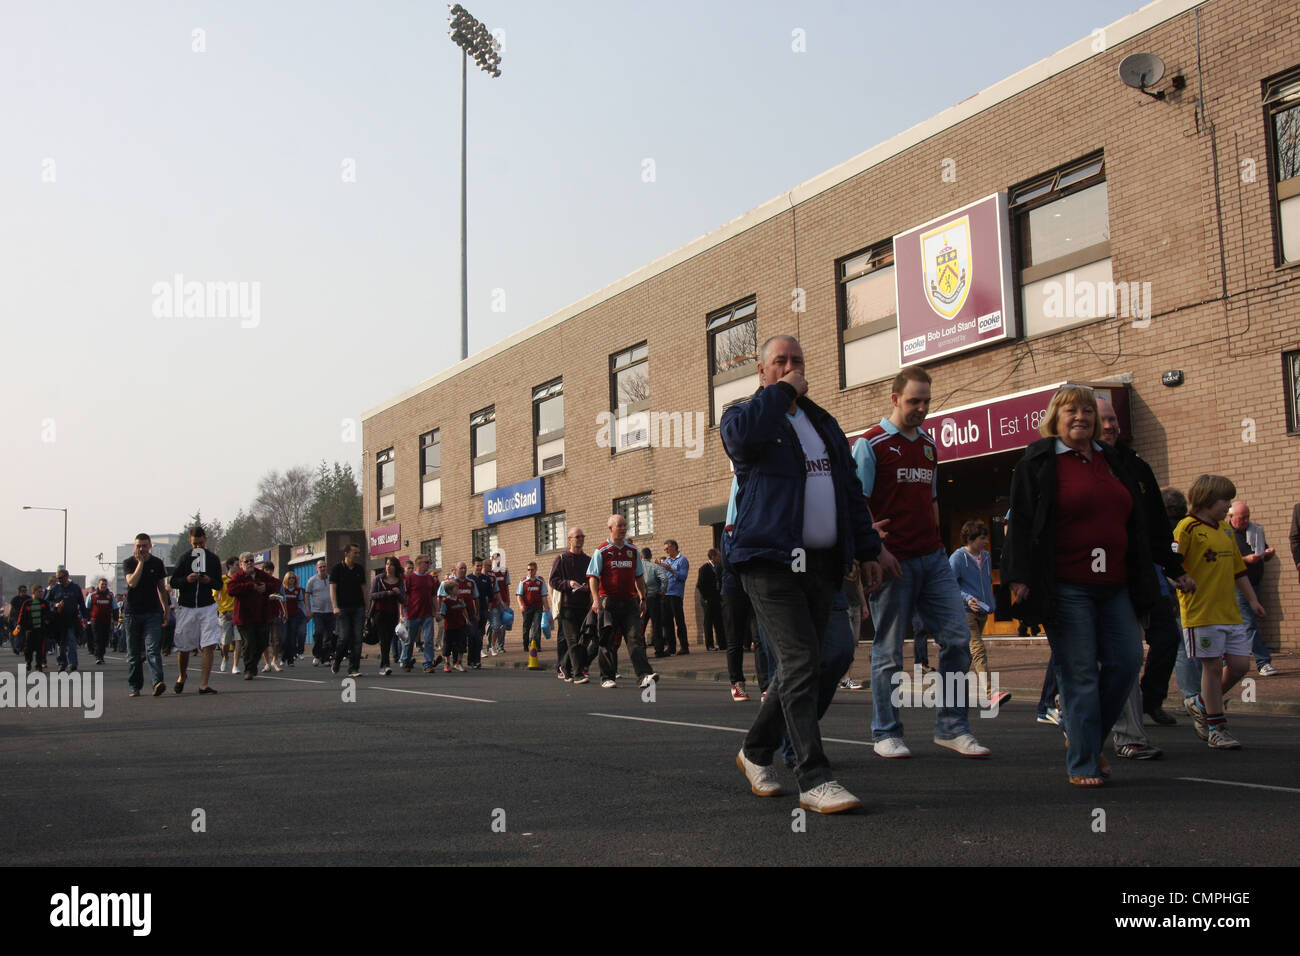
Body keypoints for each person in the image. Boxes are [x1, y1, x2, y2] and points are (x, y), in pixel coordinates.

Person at [722, 334, 885, 813]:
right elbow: (741, 441)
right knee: (798, 661)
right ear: (762, 370)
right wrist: (782, 393)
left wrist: (870, 547)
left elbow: (849, 490)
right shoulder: (745, 412)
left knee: (823, 658)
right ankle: (813, 776)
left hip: (821, 563)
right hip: (769, 561)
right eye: (780, 362)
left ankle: (754, 751)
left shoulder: (823, 422)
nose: (791, 367)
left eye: (797, 360)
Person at [1005, 385, 1192, 786]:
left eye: (1088, 411)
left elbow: (1148, 520)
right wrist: (1019, 576)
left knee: (1125, 663)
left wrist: (1172, 565)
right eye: (1071, 410)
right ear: (1055, 417)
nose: (1081, 417)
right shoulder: (1037, 462)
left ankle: (1085, 738)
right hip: (1066, 585)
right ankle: (1084, 762)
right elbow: (1021, 522)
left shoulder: (1119, 461)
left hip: (1117, 584)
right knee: (1081, 672)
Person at [852, 366, 989, 759]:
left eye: (926, 401)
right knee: (889, 650)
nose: (921, 408)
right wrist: (872, 552)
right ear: (895, 399)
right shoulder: (871, 444)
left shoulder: (929, 446)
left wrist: (937, 545)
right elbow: (856, 502)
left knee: (959, 639)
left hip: (933, 560)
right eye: (914, 401)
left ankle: (951, 726)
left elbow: (931, 501)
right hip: (892, 563)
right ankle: (886, 732)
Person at [1097, 396, 1179, 759]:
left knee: (1137, 651)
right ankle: (1119, 733)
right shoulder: (1068, 466)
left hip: (1139, 577)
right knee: (1105, 657)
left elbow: (1156, 525)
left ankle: (1136, 718)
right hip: (1093, 579)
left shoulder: (1135, 466)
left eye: (1114, 419)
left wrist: (1174, 569)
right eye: (1104, 420)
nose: (1112, 426)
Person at [1176, 476, 1266, 749]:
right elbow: (1172, 562)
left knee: (1240, 666)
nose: (1228, 506)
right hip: (1201, 612)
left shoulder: (1226, 531)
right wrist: (1178, 579)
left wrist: (1252, 600)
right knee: (1212, 667)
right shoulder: (1187, 527)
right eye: (1224, 500)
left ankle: (1201, 703)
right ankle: (1217, 728)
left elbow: (1239, 570)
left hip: (1230, 612)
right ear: (1206, 499)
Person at [587, 514, 657, 690]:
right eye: (620, 525)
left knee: (635, 638)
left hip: (629, 602)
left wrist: (643, 598)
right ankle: (607, 677)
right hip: (608, 603)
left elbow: (639, 577)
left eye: (625, 525)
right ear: (610, 528)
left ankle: (643, 675)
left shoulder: (632, 551)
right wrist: (596, 600)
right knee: (607, 640)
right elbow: (593, 577)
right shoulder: (602, 551)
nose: (624, 528)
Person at [949, 520, 1010, 709]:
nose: (985, 541)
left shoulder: (986, 556)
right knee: (978, 650)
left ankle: (948, 689)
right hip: (965, 611)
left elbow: (987, 580)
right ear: (970, 538)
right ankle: (991, 694)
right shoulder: (958, 558)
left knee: (967, 655)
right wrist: (967, 598)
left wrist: (990, 604)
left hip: (983, 611)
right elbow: (949, 584)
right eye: (982, 538)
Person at [168, 525, 224, 694]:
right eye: (194, 544)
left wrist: (209, 581)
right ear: (190, 542)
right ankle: (182, 675)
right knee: (184, 646)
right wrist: (186, 579)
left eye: (200, 543)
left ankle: (204, 684)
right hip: (187, 606)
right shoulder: (184, 558)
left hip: (207, 606)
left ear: (205, 540)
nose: (198, 547)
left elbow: (219, 584)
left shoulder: (213, 559)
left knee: (208, 644)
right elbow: (173, 582)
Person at [1227, 501, 1278, 676]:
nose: (1246, 521)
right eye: (1242, 518)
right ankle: (1263, 662)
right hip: (1238, 585)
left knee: (1247, 623)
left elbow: (1262, 553)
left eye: (1248, 517)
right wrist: (1245, 560)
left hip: (1254, 583)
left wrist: (1268, 554)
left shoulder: (1254, 530)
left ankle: (1233, 657)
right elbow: (1226, 562)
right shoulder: (1226, 534)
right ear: (1231, 517)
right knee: (1249, 623)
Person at [123, 533, 170, 697]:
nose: (141, 548)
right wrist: (141, 563)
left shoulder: (157, 563)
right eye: (138, 546)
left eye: (144, 545)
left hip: (152, 612)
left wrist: (166, 610)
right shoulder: (129, 563)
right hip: (132, 613)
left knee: (152, 650)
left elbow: (162, 589)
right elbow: (132, 582)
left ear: (150, 545)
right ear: (134, 547)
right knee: (134, 653)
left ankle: (157, 682)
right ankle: (134, 686)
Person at [227, 552, 281, 679]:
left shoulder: (261, 574)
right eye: (247, 561)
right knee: (250, 642)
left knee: (262, 642)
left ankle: (253, 665)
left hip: (261, 615)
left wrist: (266, 587)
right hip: (244, 617)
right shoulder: (238, 576)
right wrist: (250, 586)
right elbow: (231, 589)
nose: (250, 563)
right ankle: (248, 670)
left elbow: (277, 584)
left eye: (252, 560)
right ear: (241, 564)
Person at [550, 528, 592, 683]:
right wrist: (568, 583)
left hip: (583, 605)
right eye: (577, 537)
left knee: (582, 639)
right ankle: (577, 674)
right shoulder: (561, 559)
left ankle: (564, 666)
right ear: (569, 540)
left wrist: (588, 586)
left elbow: (593, 578)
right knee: (572, 639)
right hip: (567, 606)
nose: (580, 539)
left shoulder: (587, 560)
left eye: (582, 536)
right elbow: (553, 581)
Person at [330, 544, 367, 678]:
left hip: (358, 608)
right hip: (342, 608)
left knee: (357, 639)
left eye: (358, 553)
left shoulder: (359, 569)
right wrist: (335, 606)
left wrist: (366, 607)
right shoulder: (337, 569)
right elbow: (333, 589)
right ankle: (337, 660)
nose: (357, 555)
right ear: (346, 553)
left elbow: (363, 589)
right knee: (344, 637)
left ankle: (353, 668)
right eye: (355, 553)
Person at [46, 566, 87, 673]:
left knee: (72, 641)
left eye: (61, 577)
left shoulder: (75, 588)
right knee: (61, 644)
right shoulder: (55, 589)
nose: (59, 580)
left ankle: (73, 663)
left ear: (67, 577)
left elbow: (82, 604)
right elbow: (47, 602)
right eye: (58, 578)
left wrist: (85, 617)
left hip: (72, 619)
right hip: (59, 621)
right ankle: (62, 663)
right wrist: (55, 605)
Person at [403, 554, 439, 673]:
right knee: (409, 640)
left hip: (427, 614)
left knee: (428, 639)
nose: (429, 565)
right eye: (426, 562)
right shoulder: (410, 578)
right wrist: (401, 613)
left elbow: (434, 596)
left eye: (429, 562)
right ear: (419, 564)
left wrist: (437, 611)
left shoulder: (430, 579)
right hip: (412, 614)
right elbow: (404, 596)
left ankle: (428, 664)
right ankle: (406, 661)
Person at [369, 557, 405, 676]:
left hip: (392, 613)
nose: (388, 566)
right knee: (383, 640)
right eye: (387, 564)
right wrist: (387, 593)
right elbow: (372, 595)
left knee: (388, 639)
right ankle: (386, 665)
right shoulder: (379, 579)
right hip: (379, 613)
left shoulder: (399, 581)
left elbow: (403, 600)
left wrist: (398, 593)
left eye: (391, 564)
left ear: (396, 567)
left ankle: (383, 666)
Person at [656, 541, 690, 655]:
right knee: (667, 622)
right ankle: (671, 647)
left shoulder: (682, 560)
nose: (665, 550)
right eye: (664, 549)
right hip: (665, 594)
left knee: (679, 621)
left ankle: (684, 646)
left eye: (667, 548)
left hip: (676, 594)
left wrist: (670, 570)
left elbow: (683, 577)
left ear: (674, 547)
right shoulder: (666, 561)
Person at [15, 583, 51, 671]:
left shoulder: (44, 603)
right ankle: (28, 662)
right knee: (28, 648)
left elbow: (48, 613)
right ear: (34, 592)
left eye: (41, 592)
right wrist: (19, 624)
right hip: (29, 630)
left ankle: (39, 665)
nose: (41, 593)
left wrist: (47, 620)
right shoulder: (27, 603)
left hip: (40, 629)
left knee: (40, 648)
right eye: (39, 592)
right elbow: (22, 614)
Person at [305, 558, 334, 667]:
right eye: (320, 567)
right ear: (316, 569)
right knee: (319, 633)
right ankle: (317, 655)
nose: (322, 568)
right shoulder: (312, 581)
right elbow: (307, 596)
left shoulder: (331, 579)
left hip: (330, 611)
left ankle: (326, 658)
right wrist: (308, 610)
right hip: (318, 612)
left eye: (324, 566)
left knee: (329, 636)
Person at [640, 546, 669, 658]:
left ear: (641, 556)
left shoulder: (636, 568)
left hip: (641, 598)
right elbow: (665, 578)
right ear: (650, 556)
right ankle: (659, 650)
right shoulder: (654, 566)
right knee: (656, 624)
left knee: (640, 625)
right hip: (653, 598)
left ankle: (641, 650)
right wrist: (662, 591)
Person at [516, 561, 548, 658]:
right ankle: (526, 645)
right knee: (527, 627)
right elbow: (519, 595)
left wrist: (546, 607)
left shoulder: (540, 581)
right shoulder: (523, 581)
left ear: (536, 570)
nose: (530, 571)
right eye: (528, 569)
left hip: (538, 607)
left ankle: (537, 645)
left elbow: (544, 595)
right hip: (527, 608)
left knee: (537, 626)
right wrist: (521, 605)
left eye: (532, 569)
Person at [278, 571, 308, 667]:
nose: (291, 579)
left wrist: (305, 614)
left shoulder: (298, 591)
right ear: (286, 579)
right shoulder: (283, 590)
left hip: (294, 616)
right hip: (284, 617)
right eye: (290, 578)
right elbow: (280, 603)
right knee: (284, 637)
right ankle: (283, 657)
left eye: (293, 578)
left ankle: (290, 660)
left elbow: (301, 603)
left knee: (292, 638)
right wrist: (281, 614)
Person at [697, 548, 724, 652]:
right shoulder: (704, 568)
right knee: (708, 622)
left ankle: (722, 643)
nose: (720, 558)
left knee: (719, 621)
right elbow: (700, 584)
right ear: (713, 557)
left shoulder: (719, 568)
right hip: (708, 599)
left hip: (717, 598)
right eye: (718, 556)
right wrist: (705, 598)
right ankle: (710, 644)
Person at [85, 578, 117, 665]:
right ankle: (98, 657)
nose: (103, 586)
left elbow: (115, 608)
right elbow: (87, 608)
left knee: (105, 639)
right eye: (102, 584)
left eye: (105, 584)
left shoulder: (110, 596)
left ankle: (101, 654)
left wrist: (115, 619)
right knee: (97, 638)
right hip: (95, 621)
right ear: (98, 585)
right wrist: (86, 620)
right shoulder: (92, 595)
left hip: (106, 621)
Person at [214, 557, 237, 673]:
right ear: (230, 566)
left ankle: (235, 664)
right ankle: (225, 657)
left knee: (239, 639)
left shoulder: (241, 579)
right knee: (226, 641)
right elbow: (214, 597)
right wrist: (223, 611)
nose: (238, 567)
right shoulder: (222, 579)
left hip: (238, 612)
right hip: (226, 613)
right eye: (236, 565)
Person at [488, 554, 511, 656]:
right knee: (492, 625)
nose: (498, 561)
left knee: (503, 624)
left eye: (499, 559)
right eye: (496, 559)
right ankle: (490, 645)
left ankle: (500, 646)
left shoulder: (505, 571)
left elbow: (506, 586)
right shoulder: (490, 573)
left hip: (503, 600)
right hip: (493, 602)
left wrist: (508, 600)